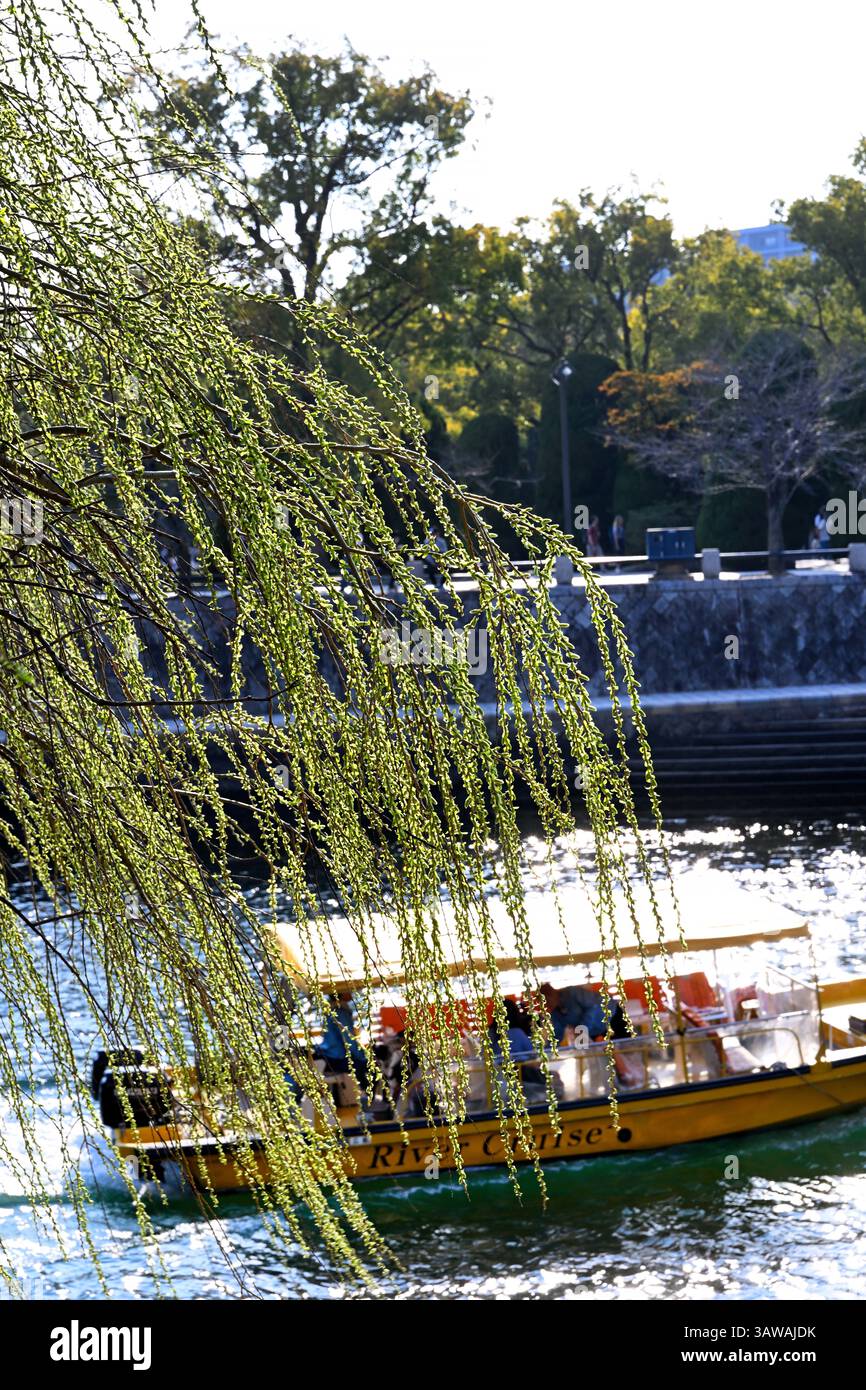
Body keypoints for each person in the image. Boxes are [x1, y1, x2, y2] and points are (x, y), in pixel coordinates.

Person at [538, 980, 629, 1044]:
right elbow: (557, 1034)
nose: (546, 1006)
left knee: (626, 1044)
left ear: (552, 994)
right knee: (596, 1053)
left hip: (613, 1015)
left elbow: (593, 1006)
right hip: (596, 1030)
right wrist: (546, 1050)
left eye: (546, 1001)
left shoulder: (571, 993)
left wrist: (582, 1028)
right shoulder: (555, 1013)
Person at [315, 991, 368, 1088]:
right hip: (336, 1058)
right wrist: (363, 1056)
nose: (351, 993)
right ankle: (370, 1096)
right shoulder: (340, 1012)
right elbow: (349, 1039)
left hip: (327, 1055)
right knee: (367, 1066)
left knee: (361, 1065)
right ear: (342, 994)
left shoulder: (330, 1011)